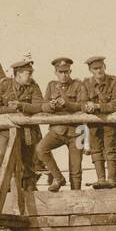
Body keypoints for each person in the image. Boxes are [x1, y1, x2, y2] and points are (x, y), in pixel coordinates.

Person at [0, 55, 46, 190]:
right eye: (28, 73)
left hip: (28, 131)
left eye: (31, 73)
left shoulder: (33, 86)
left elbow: (39, 106)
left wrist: (21, 106)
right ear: (18, 74)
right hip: (6, 131)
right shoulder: (4, 85)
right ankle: (7, 185)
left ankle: (29, 187)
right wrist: (12, 110)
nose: (30, 76)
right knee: (2, 155)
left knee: (29, 161)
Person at [35, 57, 88, 191]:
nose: (63, 75)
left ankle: (76, 196)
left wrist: (68, 105)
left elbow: (84, 105)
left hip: (77, 132)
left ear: (70, 71)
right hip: (57, 130)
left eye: (66, 72)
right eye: (60, 72)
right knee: (41, 149)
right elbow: (43, 105)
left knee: (76, 168)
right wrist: (51, 106)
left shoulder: (79, 85)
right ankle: (58, 178)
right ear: (55, 72)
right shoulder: (51, 85)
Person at [83, 55, 116, 188]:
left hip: (109, 122)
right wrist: (87, 106)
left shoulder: (114, 81)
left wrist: (98, 106)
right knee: (95, 150)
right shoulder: (86, 84)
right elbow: (81, 102)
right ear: (90, 70)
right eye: (95, 69)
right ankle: (101, 179)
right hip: (93, 123)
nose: (99, 71)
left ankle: (112, 180)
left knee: (110, 149)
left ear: (104, 67)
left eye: (101, 67)